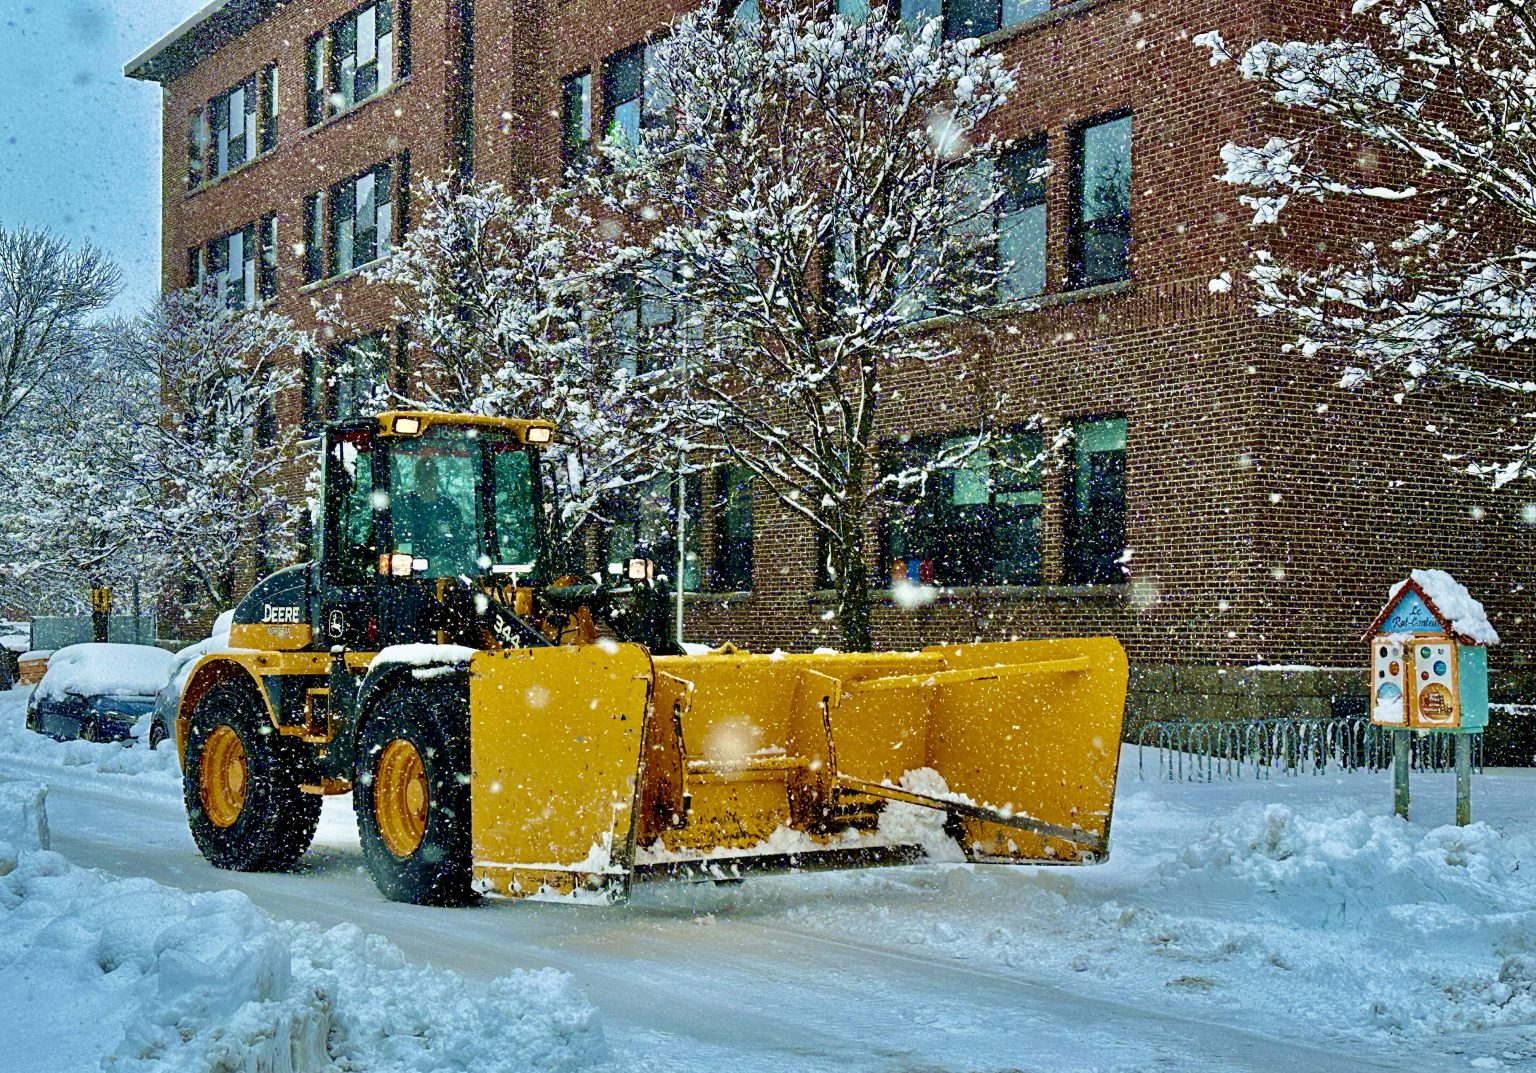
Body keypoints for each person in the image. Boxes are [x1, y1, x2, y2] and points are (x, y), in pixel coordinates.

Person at [396, 455, 472, 573]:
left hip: (445, 567)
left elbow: (461, 539)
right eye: (422, 475)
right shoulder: (404, 505)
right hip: (408, 568)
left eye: (429, 475)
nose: (425, 480)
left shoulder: (448, 506)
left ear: (437, 478)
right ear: (416, 478)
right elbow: (396, 539)